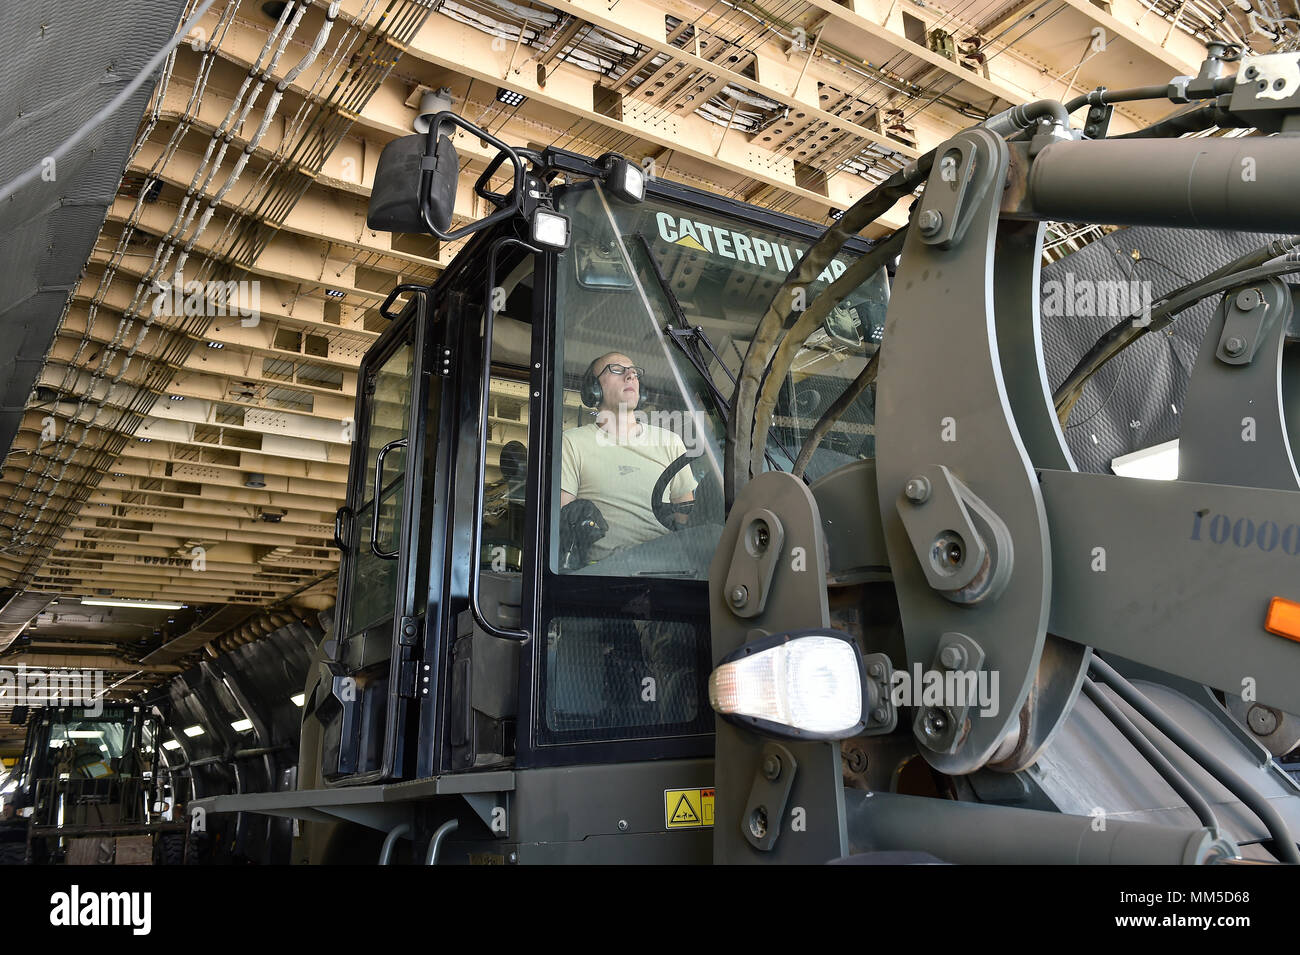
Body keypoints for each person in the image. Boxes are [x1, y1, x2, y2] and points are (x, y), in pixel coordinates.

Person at [559, 352, 697, 567]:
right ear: (594, 389)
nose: (631, 375)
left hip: (668, 572)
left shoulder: (670, 442)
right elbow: (564, 526)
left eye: (634, 372)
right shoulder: (571, 443)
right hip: (603, 575)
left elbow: (686, 518)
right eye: (616, 369)